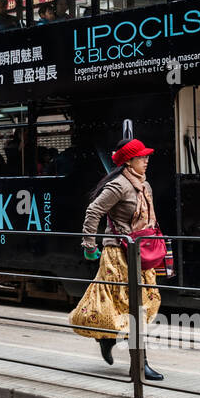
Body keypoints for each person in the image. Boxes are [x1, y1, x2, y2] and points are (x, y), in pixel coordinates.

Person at [78, 138, 164, 380]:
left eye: (147, 157)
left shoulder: (144, 185)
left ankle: (108, 338)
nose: (146, 161)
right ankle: (139, 365)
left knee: (142, 305)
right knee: (134, 307)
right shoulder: (118, 186)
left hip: (141, 253)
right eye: (142, 157)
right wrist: (89, 245)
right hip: (118, 254)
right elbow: (93, 211)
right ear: (129, 161)